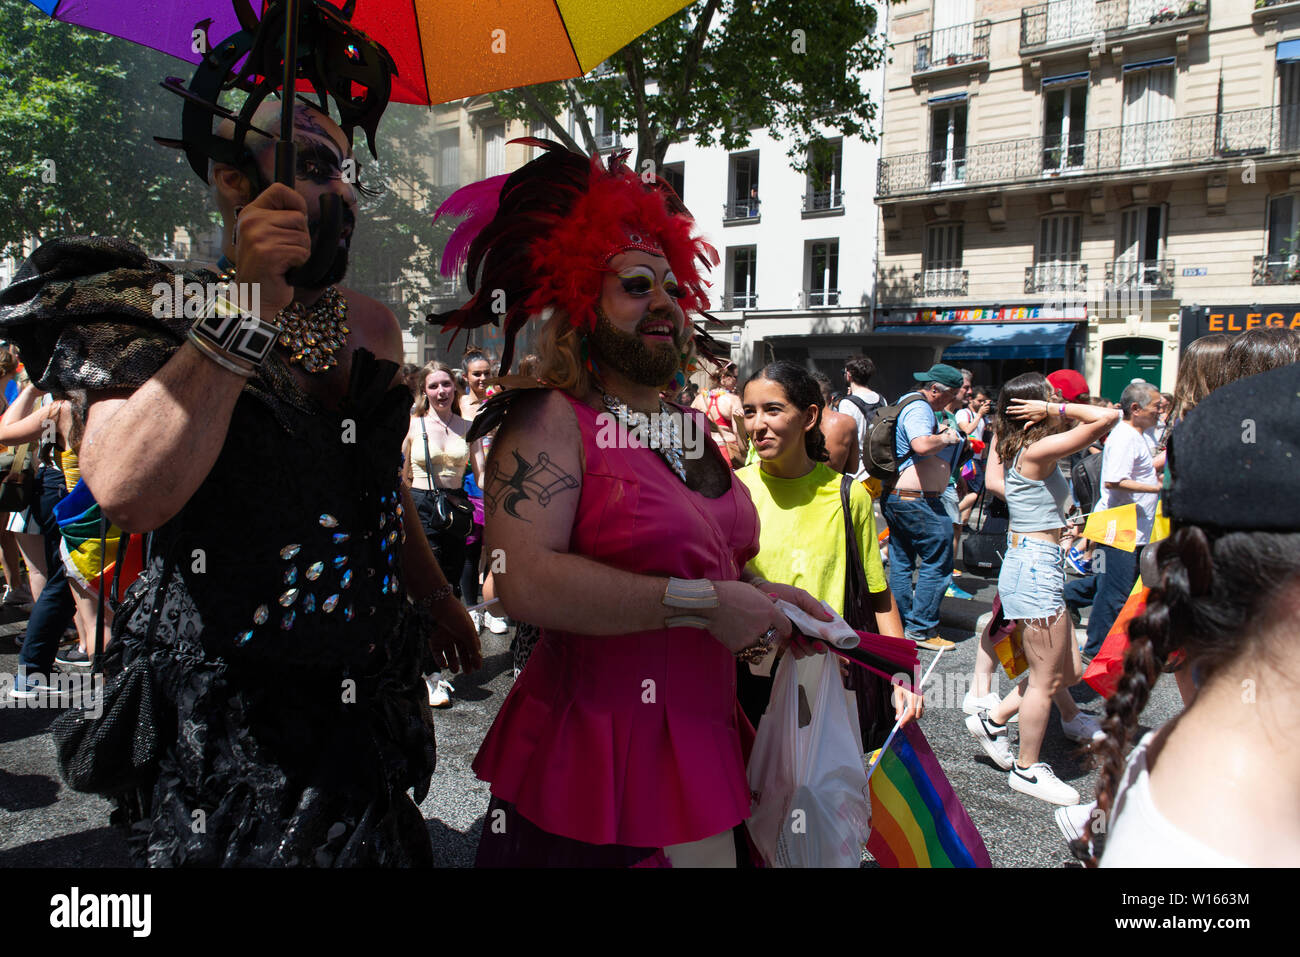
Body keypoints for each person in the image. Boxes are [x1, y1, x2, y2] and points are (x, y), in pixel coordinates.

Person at [0, 93, 481, 865]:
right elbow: (126, 491)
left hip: (362, 687)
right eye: (318, 166)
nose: (346, 194)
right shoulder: (161, 307)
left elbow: (378, 488)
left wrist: (432, 593)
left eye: (349, 171)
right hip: (230, 704)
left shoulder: (372, 326)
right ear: (231, 182)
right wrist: (245, 312)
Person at [433, 139, 832, 867]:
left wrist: (766, 599)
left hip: (704, 742)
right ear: (585, 300)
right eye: (637, 285)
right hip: (591, 753)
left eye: (675, 289)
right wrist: (707, 604)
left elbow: (713, 559)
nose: (665, 305)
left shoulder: (686, 427)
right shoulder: (551, 417)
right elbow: (516, 578)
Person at [1076, 361, 1300, 866]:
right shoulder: (1213, 846)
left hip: (1137, 534)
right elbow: (1114, 475)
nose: (1159, 409)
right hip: (1120, 532)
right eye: (1154, 405)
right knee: (1109, 604)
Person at [736, 361, 918, 729]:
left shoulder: (848, 495)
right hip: (745, 669)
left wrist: (902, 671)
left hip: (826, 671)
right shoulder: (732, 490)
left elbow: (877, 592)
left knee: (818, 781)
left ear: (808, 417)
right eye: (750, 412)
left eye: (773, 410)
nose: (758, 425)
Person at [963, 373, 1117, 805]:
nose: (1057, 401)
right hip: (1034, 568)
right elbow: (1107, 416)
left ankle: (994, 718)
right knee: (1048, 678)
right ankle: (1028, 769)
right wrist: (1054, 410)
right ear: (1031, 410)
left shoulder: (1021, 447)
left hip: (1035, 561)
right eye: (1048, 399)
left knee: (1068, 670)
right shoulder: (1037, 449)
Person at [403, 361, 486, 707]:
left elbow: (481, 476)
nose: (441, 392)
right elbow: (400, 473)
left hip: (456, 509)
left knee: (449, 586)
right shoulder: (412, 424)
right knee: (429, 591)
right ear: (424, 390)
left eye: (446, 385)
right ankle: (431, 676)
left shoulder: (470, 427)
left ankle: (438, 658)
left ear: (455, 388)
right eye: (434, 386)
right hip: (422, 505)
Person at [880, 363, 967, 650]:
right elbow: (919, 445)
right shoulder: (920, 407)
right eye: (953, 395)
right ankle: (922, 629)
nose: (954, 401)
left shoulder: (906, 403)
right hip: (916, 501)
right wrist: (946, 437)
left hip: (900, 496)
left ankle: (904, 624)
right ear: (936, 391)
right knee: (938, 560)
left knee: (902, 563)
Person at [0, 384, 76, 694]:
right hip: (63, 489)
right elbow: (5, 432)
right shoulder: (62, 405)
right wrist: (32, 390)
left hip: (53, 487)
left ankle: (39, 666)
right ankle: (35, 669)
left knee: (66, 579)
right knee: (67, 579)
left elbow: (6, 430)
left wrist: (31, 389)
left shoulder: (57, 403)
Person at [1082, 381, 1163, 657]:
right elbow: (1115, 481)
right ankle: (1096, 651)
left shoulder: (1137, 435)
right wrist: (1156, 488)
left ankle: (1070, 600)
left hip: (1127, 524)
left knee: (1116, 586)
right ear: (1136, 408)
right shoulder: (1125, 436)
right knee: (1113, 593)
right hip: (1119, 523)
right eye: (1155, 408)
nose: (1159, 413)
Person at [836, 354, 886, 494]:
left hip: (856, 473)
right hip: (876, 470)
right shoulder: (881, 399)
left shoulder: (847, 403)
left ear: (849, 375)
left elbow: (844, 438)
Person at [692, 361, 747, 468]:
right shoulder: (734, 400)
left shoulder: (699, 399)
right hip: (727, 452)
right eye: (735, 377)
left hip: (705, 452)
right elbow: (737, 432)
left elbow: (691, 428)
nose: (736, 381)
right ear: (723, 377)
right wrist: (744, 453)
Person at [810, 370, 858, 475]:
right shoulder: (849, 423)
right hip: (835, 487)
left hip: (803, 488)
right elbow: (853, 468)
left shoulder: (799, 422)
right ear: (831, 399)